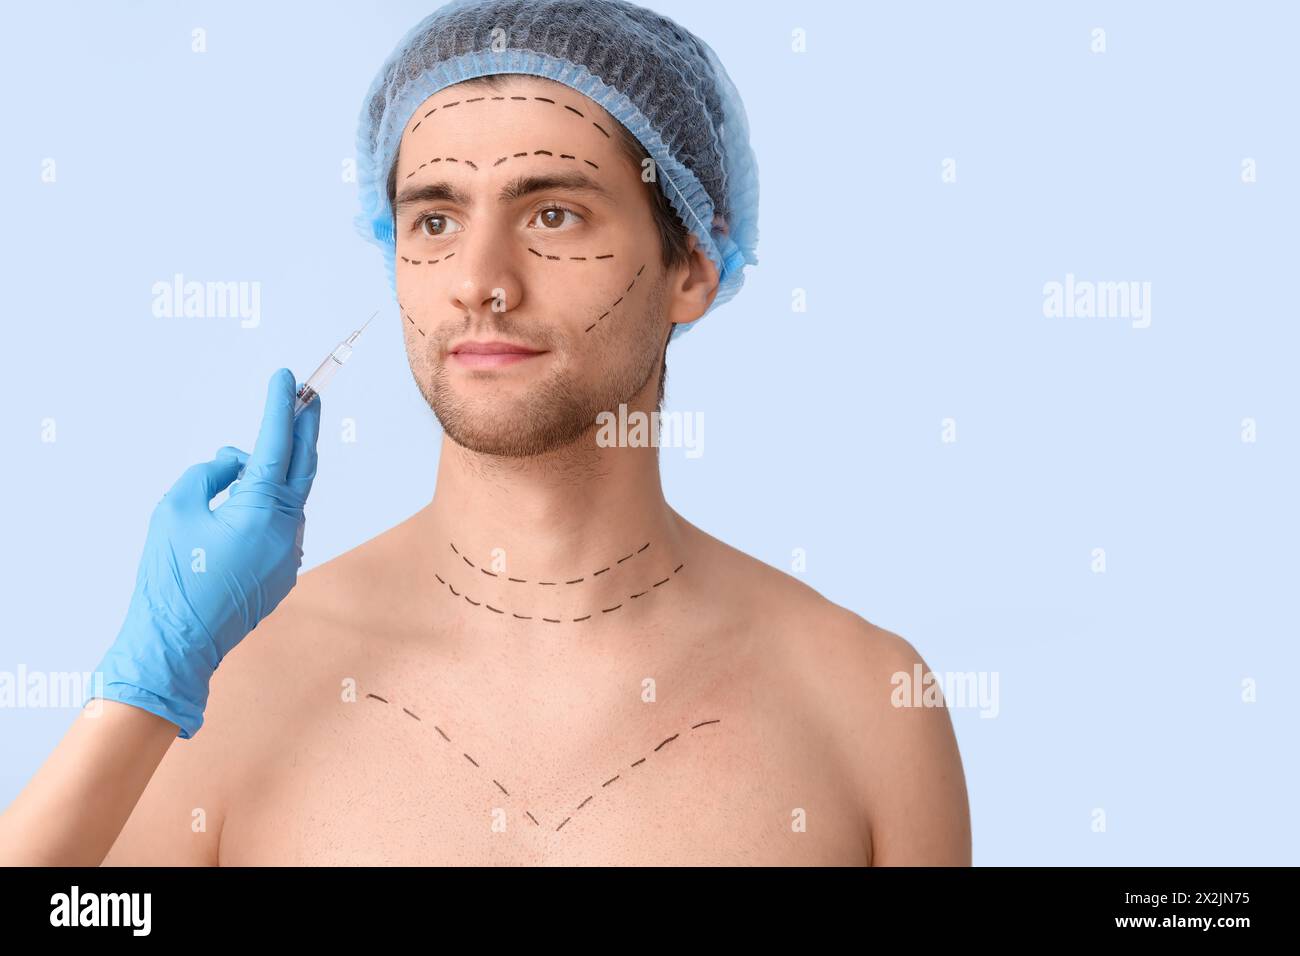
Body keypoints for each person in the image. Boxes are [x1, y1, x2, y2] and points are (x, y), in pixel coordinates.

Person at [0, 0, 970, 866]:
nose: (479, 278)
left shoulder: (866, 703)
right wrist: (136, 696)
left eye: (552, 213)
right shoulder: (226, 690)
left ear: (694, 263)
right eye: (432, 220)